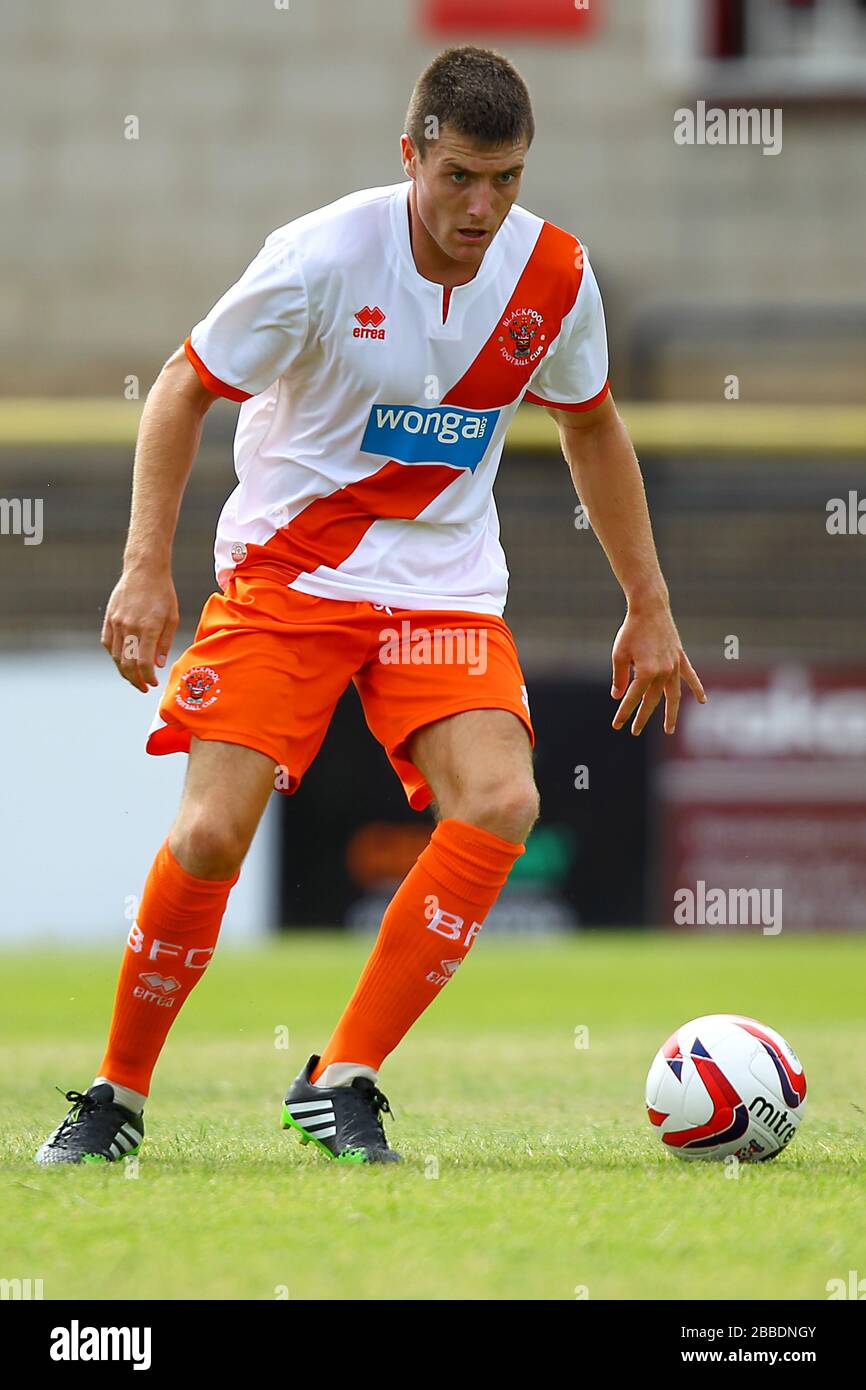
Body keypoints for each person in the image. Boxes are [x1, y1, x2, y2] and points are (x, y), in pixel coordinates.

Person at [36, 46, 705, 1167]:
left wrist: (648, 602)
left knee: (497, 801)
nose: (482, 207)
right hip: (288, 578)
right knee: (207, 832)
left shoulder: (551, 277)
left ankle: (340, 1076)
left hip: (439, 585)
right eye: (458, 177)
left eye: (505, 179)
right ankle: (115, 1095)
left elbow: (589, 423)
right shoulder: (316, 258)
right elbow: (183, 383)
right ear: (410, 156)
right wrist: (144, 565)